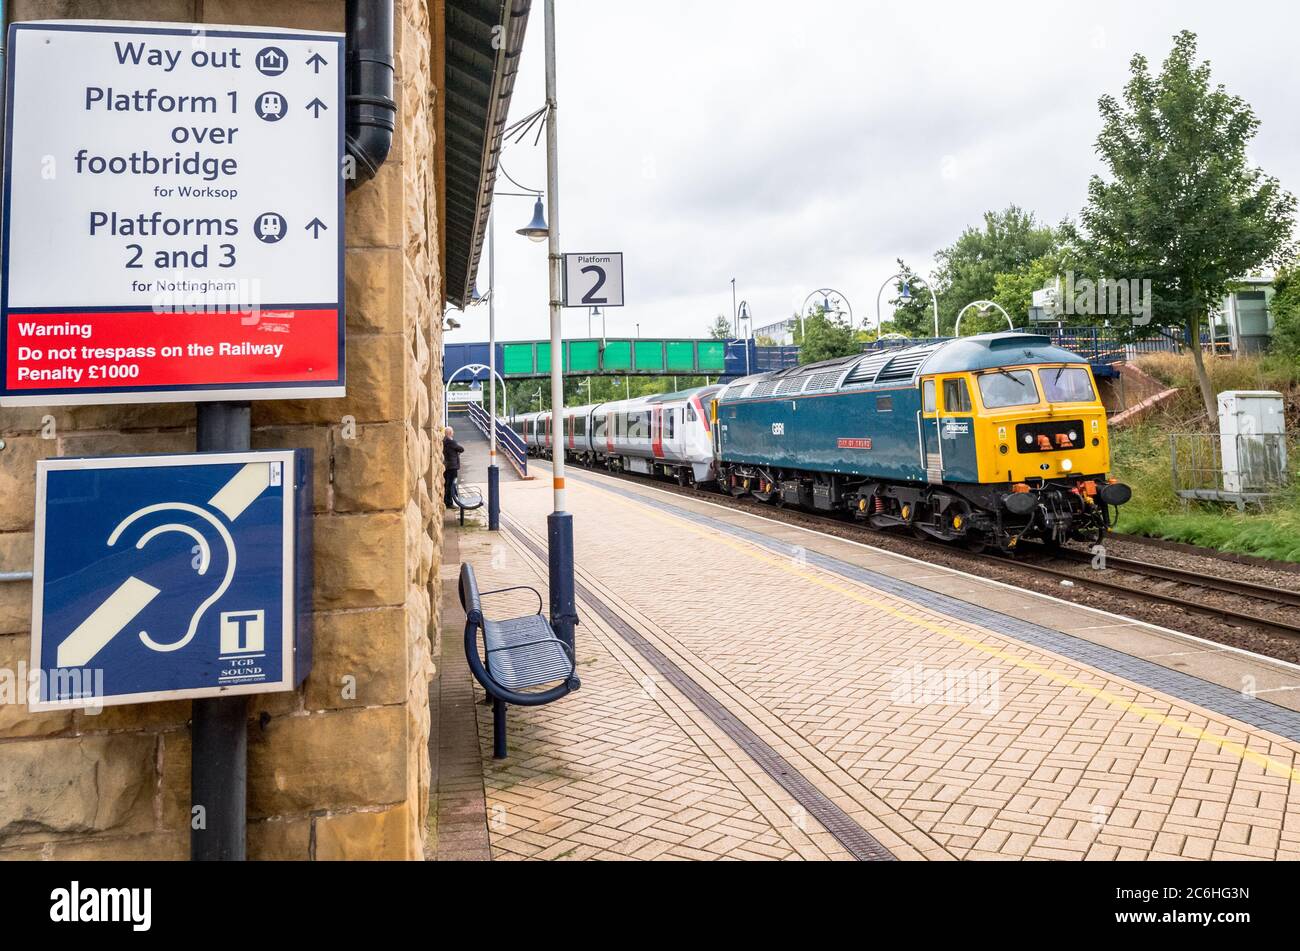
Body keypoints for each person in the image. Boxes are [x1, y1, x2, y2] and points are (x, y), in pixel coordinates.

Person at [443, 425, 464, 507]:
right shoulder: (451, 442)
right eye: (452, 431)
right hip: (452, 466)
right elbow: (461, 449)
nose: (453, 433)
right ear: (450, 433)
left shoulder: (444, 441)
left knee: (447, 484)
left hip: (447, 465)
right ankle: (450, 502)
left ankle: (450, 500)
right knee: (452, 484)